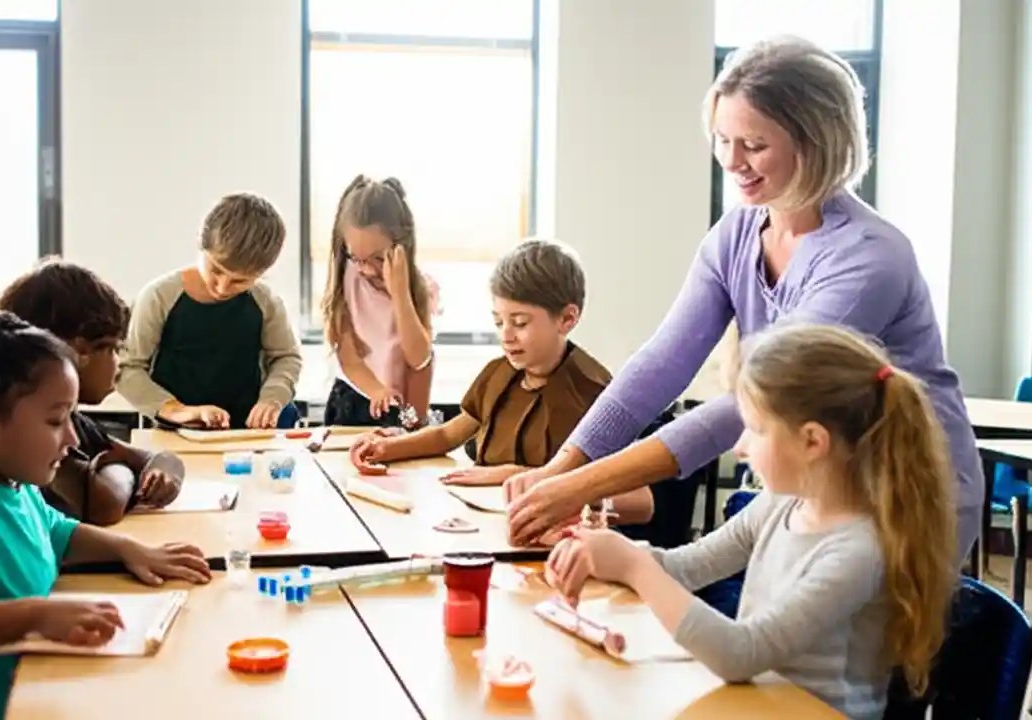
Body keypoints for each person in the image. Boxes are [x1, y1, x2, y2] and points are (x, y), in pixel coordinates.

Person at [506, 35, 984, 560]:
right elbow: (662, 364)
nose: (732, 162)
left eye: (754, 145)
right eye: (721, 140)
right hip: (821, 484)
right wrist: (558, 470)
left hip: (908, 491)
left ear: (816, 141)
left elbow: (756, 403)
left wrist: (583, 485)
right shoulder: (734, 234)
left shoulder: (868, 258)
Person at [546, 323, 957, 719]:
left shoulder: (858, 550)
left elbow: (741, 653)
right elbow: (684, 567)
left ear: (812, 441)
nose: (740, 447)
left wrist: (632, 565)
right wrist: (602, 554)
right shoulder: (781, 505)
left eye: (756, 430)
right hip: (756, 707)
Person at [0, 274, 211, 720]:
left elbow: (54, 529)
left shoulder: (6, 480)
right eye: (56, 420)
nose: (73, 437)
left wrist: (131, 550)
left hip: (40, 689)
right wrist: (35, 616)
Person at [349, 239, 653, 525]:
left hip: (557, 545)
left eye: (520, 323)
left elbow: (641, 503)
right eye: (499, 321)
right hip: (483, 522)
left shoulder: (596, 392)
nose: (506, 335)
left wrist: (526, 476)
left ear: (567, 319)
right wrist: (386, 448)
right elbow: (446, 436)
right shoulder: (499, 374)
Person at [0, 258, 184, 524]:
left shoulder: (72, 420)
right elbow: (104, 505)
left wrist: (156, 470)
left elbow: (158, 459)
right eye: (111, 348)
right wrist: (116, 465)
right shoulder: (29, 430)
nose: (118, 364)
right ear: (76, 351)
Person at [118, 193, 302, 430]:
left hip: (248, 435)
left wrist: (272, 398)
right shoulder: (159, 296)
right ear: (200, 245)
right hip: (175, 434)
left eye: (240, 281)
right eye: (216, 270)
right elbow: (127, 368)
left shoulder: (266, 302)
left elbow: (286, 358)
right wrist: (176, 410)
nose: (223, 287)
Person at [320, 175, 436, 428]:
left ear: (401, 246)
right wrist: (376, 391)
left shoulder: (421, 289)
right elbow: (349, 359)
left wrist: (400, 295)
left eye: (379, 259)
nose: (367, 270)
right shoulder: (348, 280)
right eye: (356, 257)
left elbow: (419, 359)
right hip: (355, 398)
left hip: (399, 409)